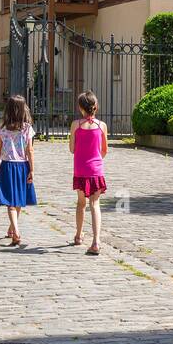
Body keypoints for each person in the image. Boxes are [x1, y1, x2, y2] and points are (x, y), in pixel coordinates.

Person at [0, 95, 36, 246]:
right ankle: (13, 228)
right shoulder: (27, 128)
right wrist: (32, 169)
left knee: (11, 201)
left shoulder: (2, 128)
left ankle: (15, 231)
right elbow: (30, 150)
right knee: (17, 200)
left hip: (7, 165)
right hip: (22, 165)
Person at [69, 91, 108, 256]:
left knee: (80, 203)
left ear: (80, 108)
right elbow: (104, 150)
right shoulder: (101, 125)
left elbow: (72, 149)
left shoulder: (76, 125)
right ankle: (96, 241)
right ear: (96, 106)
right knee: (95, 204)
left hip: (80, 169)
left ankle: (78, 235)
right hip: (96, 170)